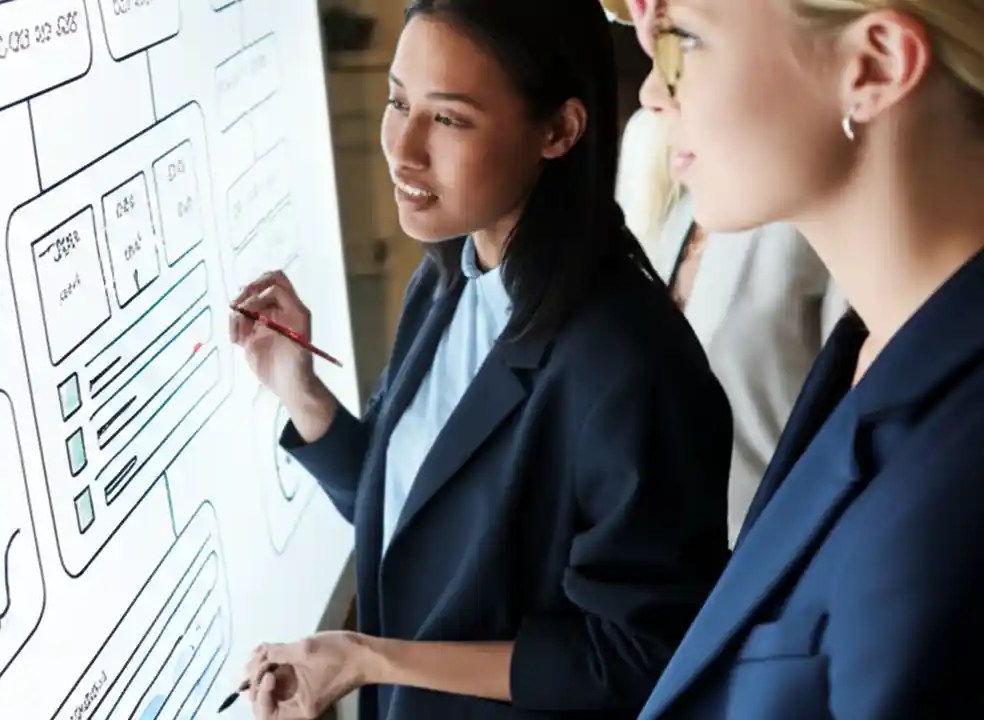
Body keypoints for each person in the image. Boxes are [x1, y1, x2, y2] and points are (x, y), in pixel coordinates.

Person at [228, 1, 733, 718]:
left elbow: (638, 659)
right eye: (398, 101)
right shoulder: (446, 279)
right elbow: (423, 523)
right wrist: (301, 394)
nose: (403, 148)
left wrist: (373, 658)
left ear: (558, 130)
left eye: (449, 118)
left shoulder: (628, 364)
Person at [613, 0, 984, 716]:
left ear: (872, 65)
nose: (654, 91)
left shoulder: (957, 482)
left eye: (683, 41)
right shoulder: (869, 348)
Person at [614, 99, 849, 545]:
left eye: (688, 45)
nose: (653, 93)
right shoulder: (678, 214)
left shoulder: (807, 223)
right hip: (667, 545)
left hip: (774, 543)